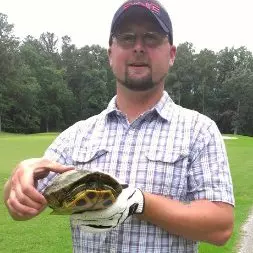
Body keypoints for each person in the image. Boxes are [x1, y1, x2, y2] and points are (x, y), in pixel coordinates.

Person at [4, 0, 235, 252]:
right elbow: (24, 202)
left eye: (151, 38)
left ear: (171, 54)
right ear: (110, 53)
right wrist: (19, 177)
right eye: (126, 38)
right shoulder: (77, 135)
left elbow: (220, 226)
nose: (138, 48)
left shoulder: (199, 131)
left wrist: (139, 202)